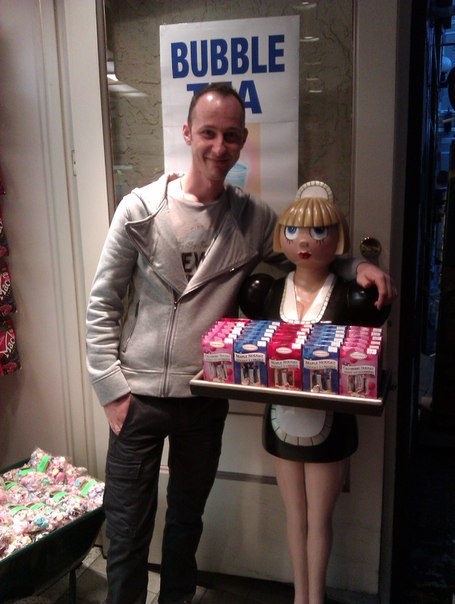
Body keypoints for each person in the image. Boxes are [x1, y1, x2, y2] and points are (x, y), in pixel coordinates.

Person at [85, 83, 396, 604]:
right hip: (137, 399)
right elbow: (102, 304)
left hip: (203, 395)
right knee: (127, 532)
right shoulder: (140, 209)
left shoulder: (253, 218)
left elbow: (306, 252)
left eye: (231, 136)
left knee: (186, 524)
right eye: (208, 133)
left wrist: (357, 265)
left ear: (242, 141)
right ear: (187, 133)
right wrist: (111, 391)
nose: (219, 146)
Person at [239, 190, 390, 604]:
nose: (304, 241)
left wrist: (361, 266)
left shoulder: (349, 295)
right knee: (294, 516)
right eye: (293, 231)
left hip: (332, 420)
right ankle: (298, 596)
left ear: (337, 237)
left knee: (320, 518)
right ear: (281, 236)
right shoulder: (267, 290)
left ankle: (315, 598)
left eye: (318, 231)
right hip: (280, 417)